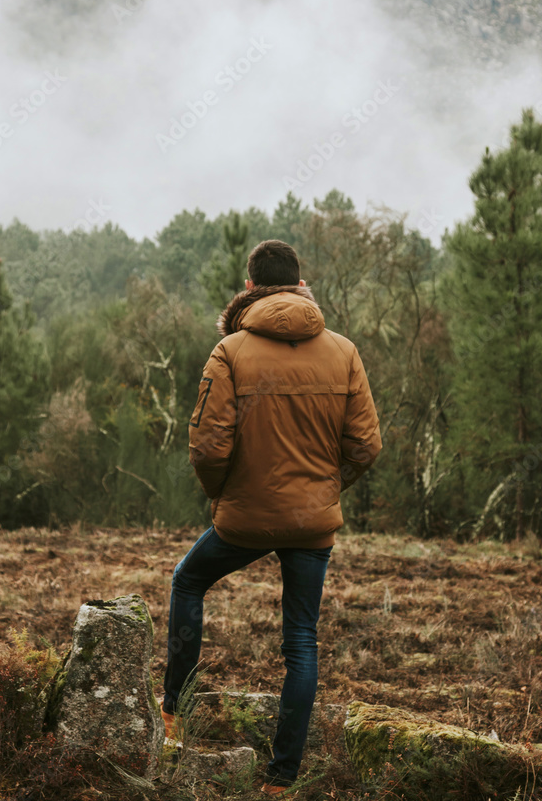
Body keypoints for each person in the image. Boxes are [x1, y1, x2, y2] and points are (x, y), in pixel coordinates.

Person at [159, 239, 382, 795]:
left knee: (188, 582)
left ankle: (174, 722)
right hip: (313, 524)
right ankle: (280, 781)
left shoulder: (231, 351)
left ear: (250, 286)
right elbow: (366, 446)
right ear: (301, 283)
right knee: (300, 641)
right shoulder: (344, 350)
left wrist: (225, 496)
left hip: (244, 517)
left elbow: (208, 449)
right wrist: (328, 489)